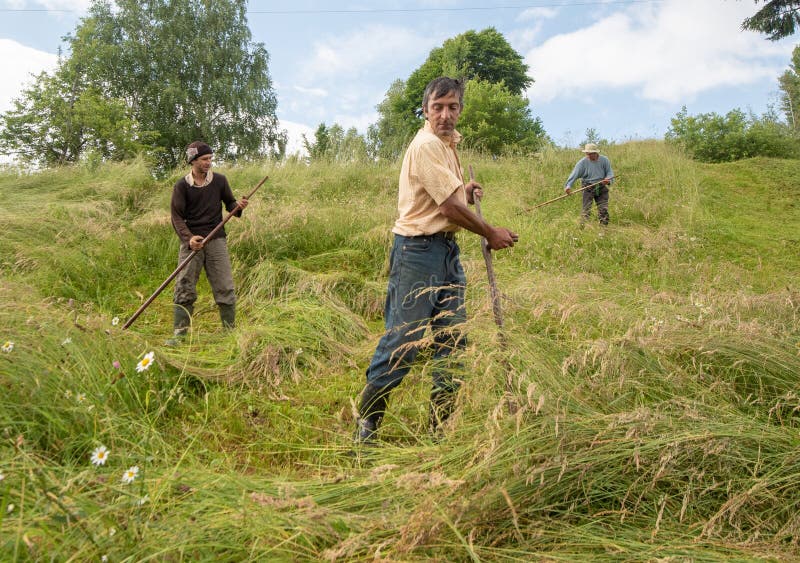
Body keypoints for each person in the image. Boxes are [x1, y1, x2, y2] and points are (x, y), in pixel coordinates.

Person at [355, 77, 519, 444]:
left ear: (460, 110)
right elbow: (447, 207)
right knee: (403, 343)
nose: (445, 115)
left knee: (452, 342)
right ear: (426, 109)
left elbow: (449, 196)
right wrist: (490, 231)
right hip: (416, 253)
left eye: (453, 107)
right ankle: (367, 425)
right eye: (438, 107)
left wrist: (465, 190)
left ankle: (439, 431)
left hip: (446, 252)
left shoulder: (448, 145)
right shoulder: (427, 144)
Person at [166, 141, 249, 345]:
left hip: (216, 239)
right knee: (184, 285)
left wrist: (238, 206)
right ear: (193, 160)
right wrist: (189, 238)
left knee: (224, 284)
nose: (209, 162)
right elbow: (176, 216)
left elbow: (230, 204)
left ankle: (229, 332)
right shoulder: (182, 186)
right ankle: (180, 334)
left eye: (210, 158)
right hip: (193, 242)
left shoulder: (220, 181)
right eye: (204, 159)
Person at [564, 143, 614, 225]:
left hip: (601, 186)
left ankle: (603, 229)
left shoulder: (604, 160)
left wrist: (608, 180)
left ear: (596, 153)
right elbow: (574, 174)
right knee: (586, 210)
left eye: (591, 154)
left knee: (603, 209)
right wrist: (568, 186)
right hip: (588, 187)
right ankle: (582, 229)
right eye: (587, 154)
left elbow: (609, 172)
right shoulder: (582, 163)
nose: (589, 156)